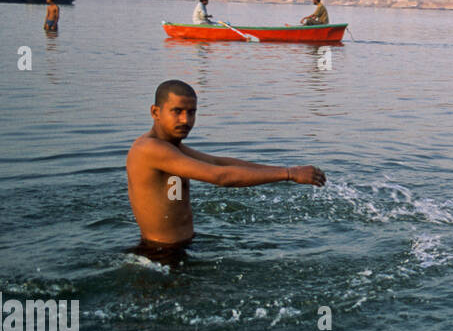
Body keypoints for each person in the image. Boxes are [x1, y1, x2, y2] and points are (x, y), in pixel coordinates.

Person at [126, 79, 326, 252]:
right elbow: (221, 176)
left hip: (182, 245)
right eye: (177, 111)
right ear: (155, 112)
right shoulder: (150, 148)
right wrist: (289, 174)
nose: (186, 120)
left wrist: (290, 170)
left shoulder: (171, 147)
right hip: (160, 253)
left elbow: (218, 163)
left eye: (191, 112)